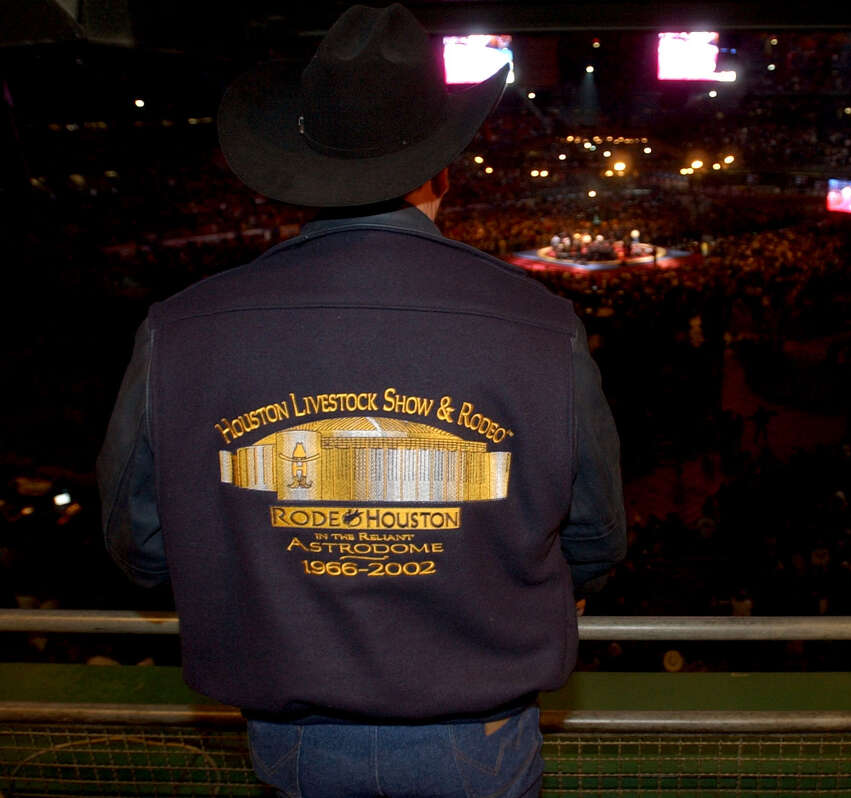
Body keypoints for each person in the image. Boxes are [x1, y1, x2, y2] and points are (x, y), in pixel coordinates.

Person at [96, 6, 626, 797]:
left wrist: (277, 566)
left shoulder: (181, 327)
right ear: (442, 170)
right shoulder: (542, 326)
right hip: (479, 726)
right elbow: (595, 538)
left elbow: (140, 548)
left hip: (288, 729)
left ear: (299, 173)